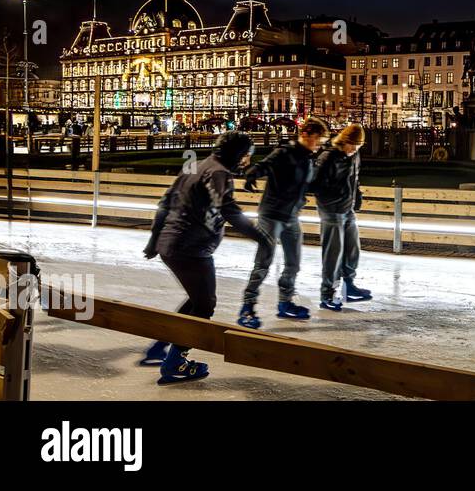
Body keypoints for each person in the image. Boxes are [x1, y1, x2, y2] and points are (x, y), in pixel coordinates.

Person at [140, 131, 269, 385]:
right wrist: (260, 236)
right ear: (236, 154)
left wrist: (154, 240)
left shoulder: (195, 166)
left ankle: (161, 347)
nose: (246, 162)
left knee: (196, 301)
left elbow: (165, 202)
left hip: (172, 245)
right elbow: (228, 209)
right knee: (204, 305)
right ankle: (176, 362)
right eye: (245, 156)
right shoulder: (219, 172)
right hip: (191, 248)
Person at [238, 117, 330, 328]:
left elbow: (308, 185)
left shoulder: (307, 160)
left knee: (293, 263)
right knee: (264, 262)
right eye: (318, 139)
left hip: (290, 217)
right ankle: (248, 307)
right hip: (271, 215)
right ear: (305, 134)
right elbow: (264, 166)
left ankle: (285, 302)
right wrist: (251, 174)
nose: (319, 145)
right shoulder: (284, 152)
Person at [310, 123, 372, 309]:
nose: (354, 150)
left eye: (358, 147)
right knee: (332, 254)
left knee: (353, 249)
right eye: (352, 145)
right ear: (344, 141)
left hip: (347, 209)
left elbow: (355, 178)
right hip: (331, 211)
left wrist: (357, 196)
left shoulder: (354, 156)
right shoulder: (328, 157)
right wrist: (330, 200)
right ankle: (327, 294)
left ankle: (348, 286)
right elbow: (315, 184)